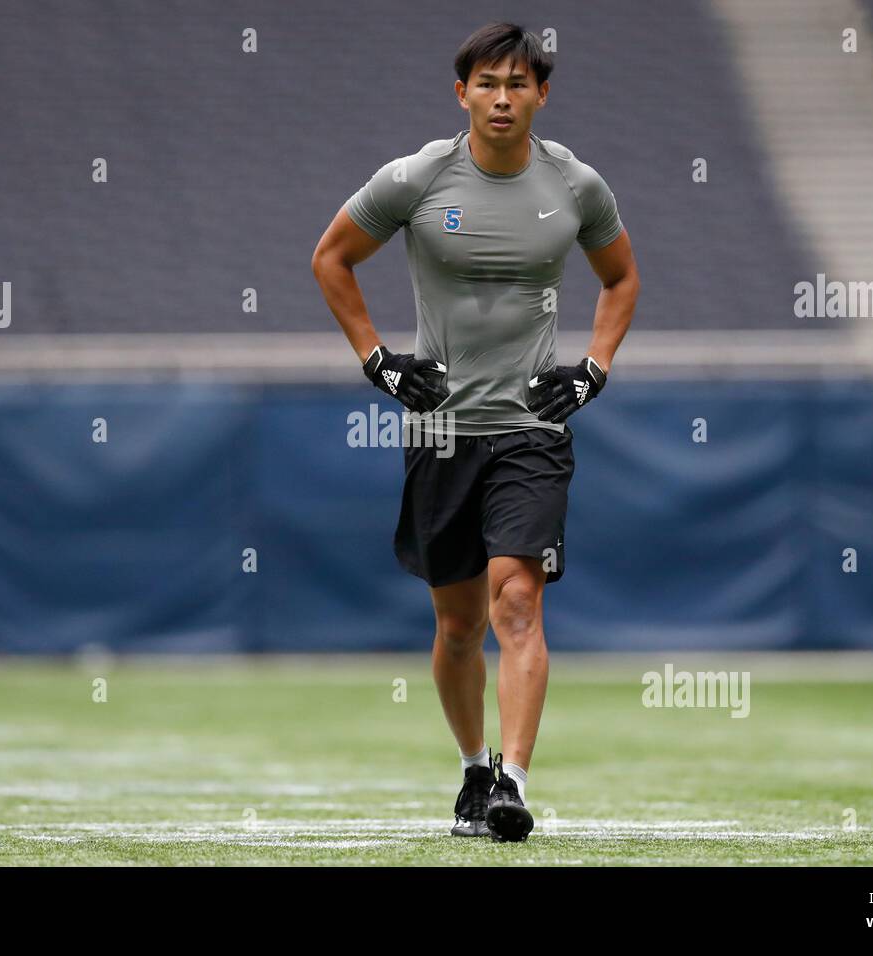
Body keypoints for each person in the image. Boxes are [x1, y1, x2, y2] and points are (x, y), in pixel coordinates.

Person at [311, 22, 640, 842]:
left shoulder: (575, 185)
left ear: (542, 95)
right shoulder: (419, 177)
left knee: (518, 604)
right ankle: (472, 770)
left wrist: (593, 368)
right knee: (458, 626)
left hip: (532, 429)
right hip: (444, 431)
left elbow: (622, 276)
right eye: (487, 84)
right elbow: (330, 257)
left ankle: (515, 787)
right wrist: (379, 362)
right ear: (462, 93)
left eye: (518, 84)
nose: (502, 98)